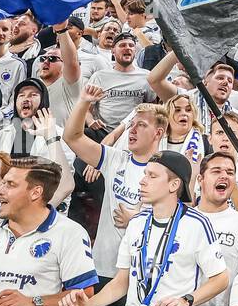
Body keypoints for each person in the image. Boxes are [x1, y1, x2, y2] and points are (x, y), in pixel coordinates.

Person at [61, 151, 229, 306]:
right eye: (145, 174)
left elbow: (221, 279)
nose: (142, 181)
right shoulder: (137, 222)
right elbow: (121, 281)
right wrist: (88, 305)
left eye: (152, 176)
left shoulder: (197, 224)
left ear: (174, 184)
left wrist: (186, 300)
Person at [0, 158, 97, 306]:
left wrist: (33, 302)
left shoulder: (70, 233)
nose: (0, 190)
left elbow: (83, 297)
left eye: (10, 184)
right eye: (2, 183)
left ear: (36, 192)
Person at [63, 83, 165, 283]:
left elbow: (179, 214)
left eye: (141, 125)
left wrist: (138, 220)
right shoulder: (115, 159)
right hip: (104, 265)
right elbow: (71, 137)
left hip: (145, 271)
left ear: (159, 133)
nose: (132, 130)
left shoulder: (168, 169)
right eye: (131, 125)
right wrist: (84, 102)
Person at [194, 151, 238, 306]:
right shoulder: (183, 222)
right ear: (200, 179)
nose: (224, 176)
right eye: (216, 171)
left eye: (230, 172)